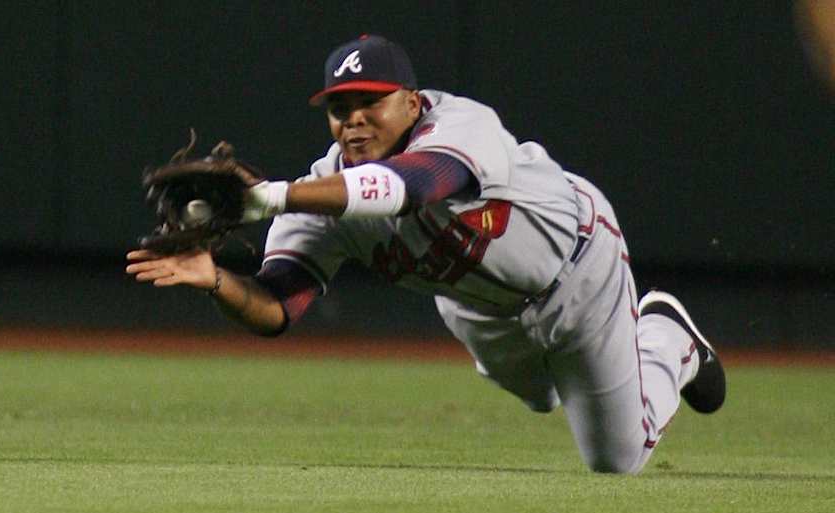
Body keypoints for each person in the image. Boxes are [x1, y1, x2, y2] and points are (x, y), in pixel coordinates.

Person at [126, 34, 726, 474]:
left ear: (411, 104)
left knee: (617, 458)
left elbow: (412, 186)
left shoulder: (460, 126)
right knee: (543, 397)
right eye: (340, 108)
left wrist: (270, 199)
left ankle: (668, 339)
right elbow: (277, 308)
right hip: (479, 309)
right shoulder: (317, 194)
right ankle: (591, 367)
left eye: (372, 102)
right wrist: (215, 281)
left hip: (578, 266)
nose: (354, 120)